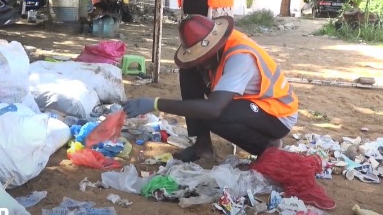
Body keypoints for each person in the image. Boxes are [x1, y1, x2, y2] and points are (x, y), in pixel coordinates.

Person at [123, 15, 298, 163]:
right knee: (188, 71)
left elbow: (214, 108)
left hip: (276, 113)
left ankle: (267, 146)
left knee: (214, 115)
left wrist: (156, 103)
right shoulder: (216, 48)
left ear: (216, 47)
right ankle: (202, 145)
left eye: (203, 59)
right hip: (246, 101)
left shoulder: (240, 58)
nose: (200, 66)